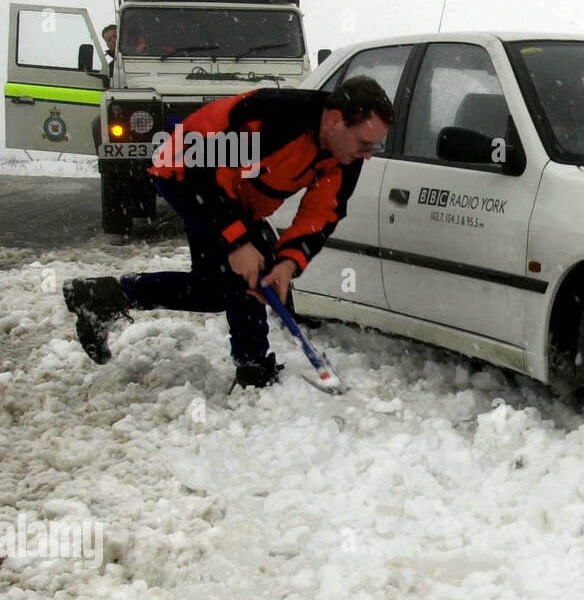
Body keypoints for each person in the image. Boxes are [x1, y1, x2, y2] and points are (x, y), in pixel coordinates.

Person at [62, 76, 395, 389]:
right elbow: (200, 172)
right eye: (364, 143)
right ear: (336, 120)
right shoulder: (274, 117)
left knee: (213, 291)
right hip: (185, 171)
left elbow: (323, 212)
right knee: (250, 263)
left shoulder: (345, 155)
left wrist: (289, 263)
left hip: (232, 191)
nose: (367, 154)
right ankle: (253, 368)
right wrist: (237, 241)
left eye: (373, 147)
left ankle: (102, 296)